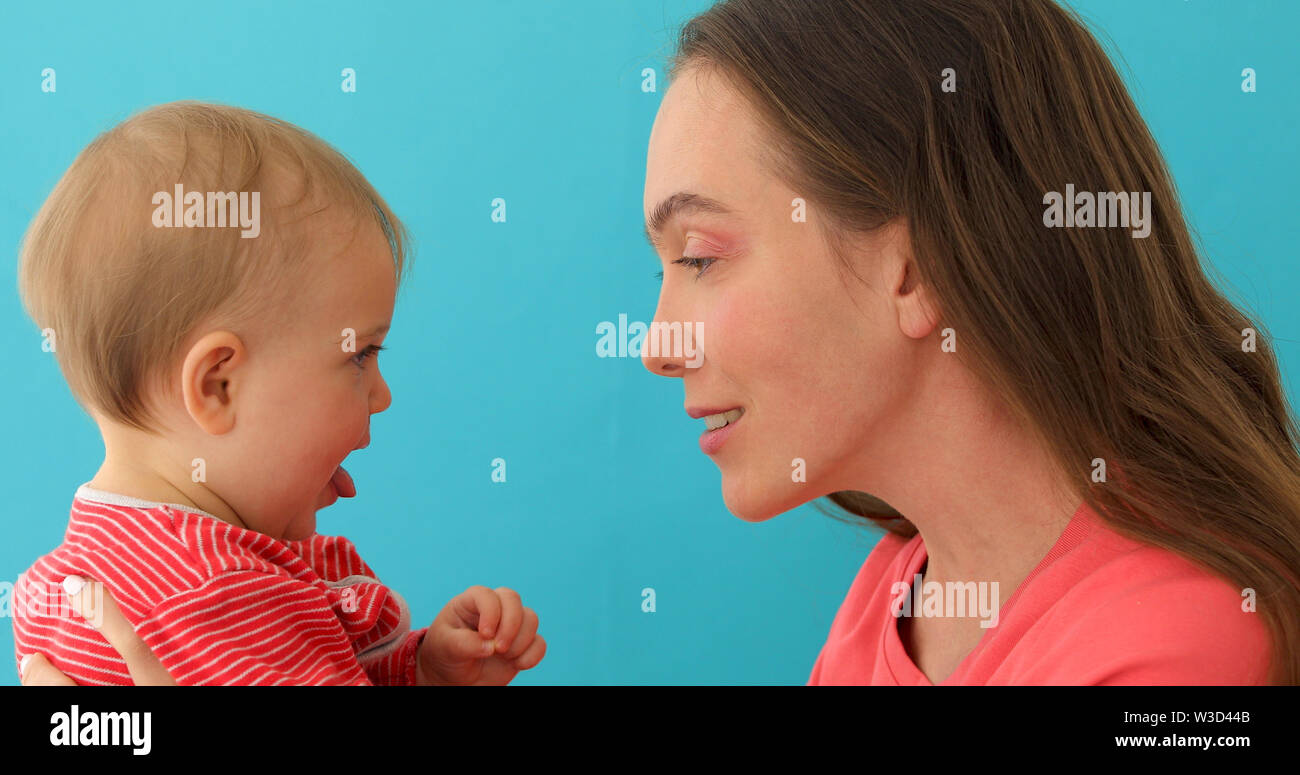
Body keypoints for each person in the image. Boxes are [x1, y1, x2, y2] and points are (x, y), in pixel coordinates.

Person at [639, 0, 1299, 684]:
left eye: (699, 258)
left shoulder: (1175, 647)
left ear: (916, 269)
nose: (657, 345)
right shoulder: (892, 593)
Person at [11, 102, 545, 685]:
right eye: (360, 355)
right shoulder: (218, 598)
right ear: (219, 385)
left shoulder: (73, 579)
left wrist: (422, 673)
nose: (382, 395)